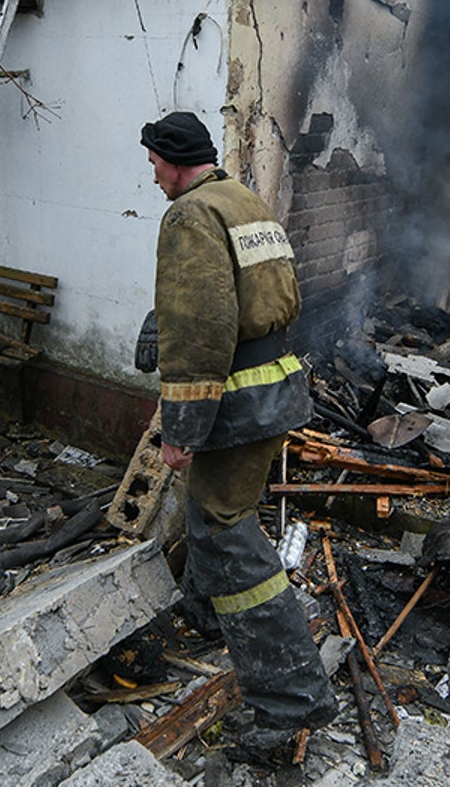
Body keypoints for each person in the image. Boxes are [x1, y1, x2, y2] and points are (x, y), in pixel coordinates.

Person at [140, 110, 338, 766]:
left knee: (228, 535)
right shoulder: (242, 201)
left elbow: (201, 330)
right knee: (209, 513)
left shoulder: (190, 216)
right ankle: (205, 613)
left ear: (172, 160)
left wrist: (181, 428)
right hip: (274, 388)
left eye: (153, 162)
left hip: (233, 403)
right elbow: (252, 296)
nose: (151, 174)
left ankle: (290, 701)